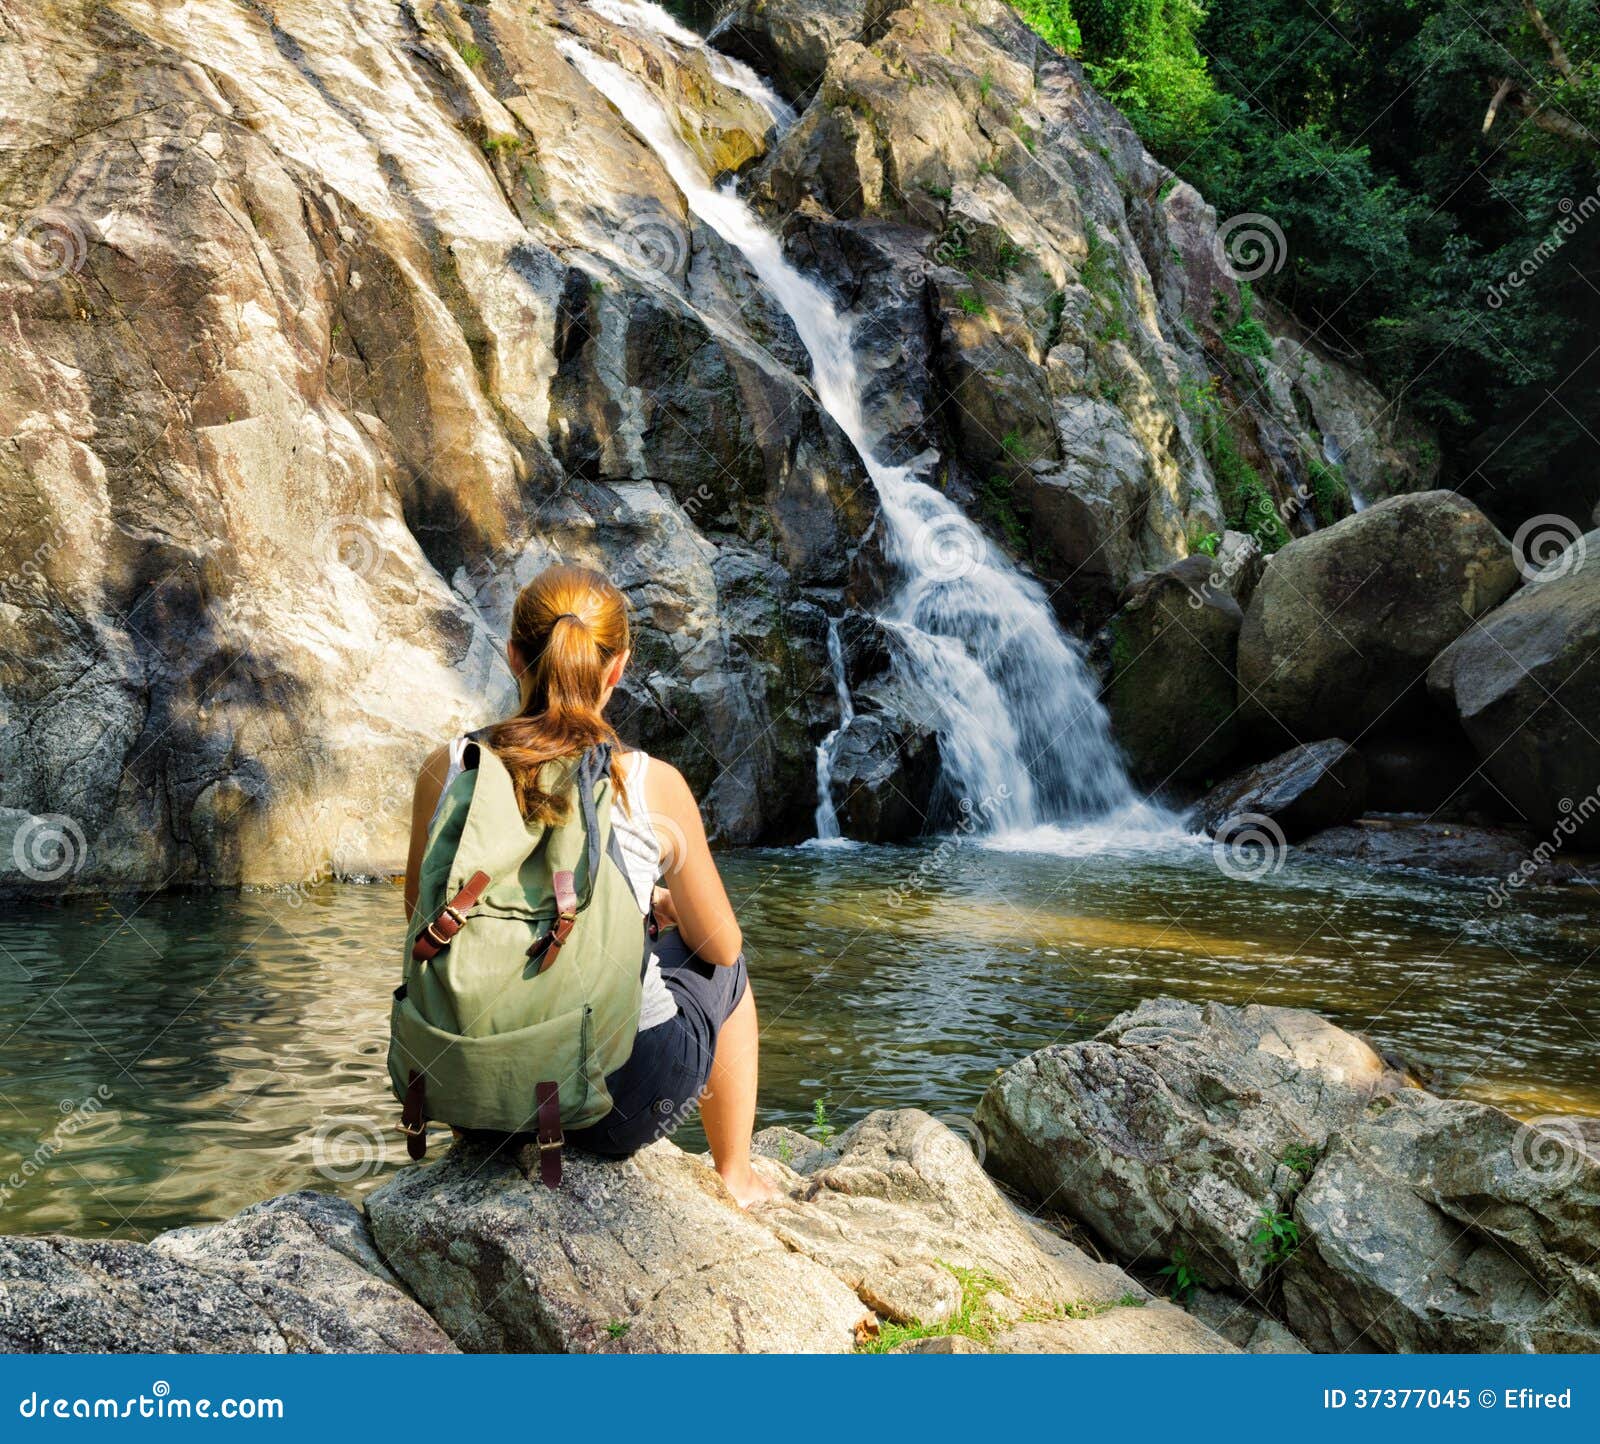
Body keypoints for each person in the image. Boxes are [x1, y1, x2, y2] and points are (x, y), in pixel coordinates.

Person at [402, 562, 780, 1207]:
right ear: (618, 667)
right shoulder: (647, 781)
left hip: (466, 1094)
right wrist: (652, 911)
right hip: (616, 1104)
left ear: (514, 653)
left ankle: (499, 1095)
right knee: (723, 960)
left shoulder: (449, 766)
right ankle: (737, 1177)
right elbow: (718, 946)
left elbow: (419, 915)